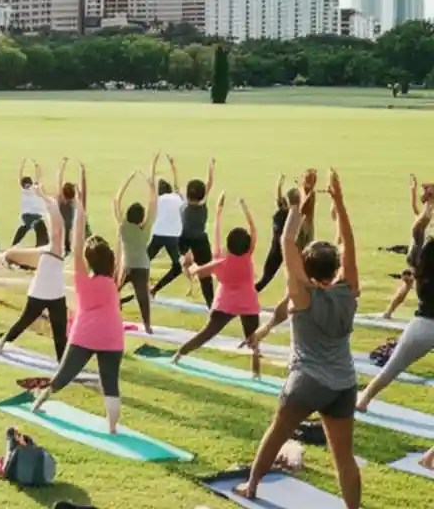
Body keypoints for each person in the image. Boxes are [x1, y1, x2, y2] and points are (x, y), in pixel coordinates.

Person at [235, 169, 359, 508]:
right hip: (344, 384)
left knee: (276, 434)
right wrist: (339, 203)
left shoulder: (302, 294)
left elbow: (286, 241)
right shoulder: (348, 291)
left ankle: (251, 486)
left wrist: (301, 202)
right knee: (344, 458)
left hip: (307, 381)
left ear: (307, 268)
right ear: (335, 270)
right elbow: (348, 243)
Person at [29, 193, 123, 434]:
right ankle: (112, 428)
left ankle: (37, 405)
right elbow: (108, 246)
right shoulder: (113, 281)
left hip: (85, 335)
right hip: (113, 338)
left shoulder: (82, 280)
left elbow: (78, 243)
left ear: (89, 262)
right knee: (110, 385)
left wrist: (80, 211)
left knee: (62, 377)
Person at [173, 193, 263, 378]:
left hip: (225, 304)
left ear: (228, 246)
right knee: (253, 340)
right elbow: (254, 230)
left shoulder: (220, 262)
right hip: (248, 303)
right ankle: (256, 373)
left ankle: (179, 355)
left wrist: (189, 265)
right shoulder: (247, 256)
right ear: (247, 247)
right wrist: (244, 206)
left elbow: (197, 270)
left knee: (206, 333)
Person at [356, 198, 432, 412]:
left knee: (390, 369)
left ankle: (363, 400)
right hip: (424, 325)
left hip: (422, 325)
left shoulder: (421, 269)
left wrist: (428, 211)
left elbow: (418, 232)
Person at [0, 181, 70, 360]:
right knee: (24, 321)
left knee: (60, 331)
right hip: (41, 293)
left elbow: (58, 226)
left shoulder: (55, 248)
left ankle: (63, 362)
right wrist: (44, 197)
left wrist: (43, 196)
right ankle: (2, 342)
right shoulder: (50, 248)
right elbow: (57, 225)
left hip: (55, 294)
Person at [153, 158, 216, 305]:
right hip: (200, 241)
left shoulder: (182, 202)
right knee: (205, 278)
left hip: (183, 240)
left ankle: (155, 288)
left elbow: (176, 186)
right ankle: (211, 305)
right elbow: (209, 183)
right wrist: (211, 167)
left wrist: (173, 165)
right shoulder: (202, 205)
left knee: (179, 267)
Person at [378, 177, 433, 318]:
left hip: (414, 256)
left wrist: (414, 191)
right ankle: (388, 311)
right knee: (418, 230)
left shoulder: (426, 220)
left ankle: (388, 312)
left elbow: (416, 211)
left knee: (407, 284)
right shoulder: (426, 222)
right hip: (419, 256)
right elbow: (418, 213)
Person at [145, 154, 192, 298]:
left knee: (140, 262)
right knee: (177, 267)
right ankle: (155, 289)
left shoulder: (157, 199)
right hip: (174, 236)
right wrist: (173, 165)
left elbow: (151, 182)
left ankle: (118, 287)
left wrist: (153, 162)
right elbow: (177, 184)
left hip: (158, 234)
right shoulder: (178, 197)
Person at [115, 171, 156, 332]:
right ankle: (147, 326)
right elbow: (153, 204)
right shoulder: (144, 230)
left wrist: (126, 181)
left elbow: (116, 201)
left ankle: (113, 315)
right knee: (143, 298)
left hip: (126, 267)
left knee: (111, 292)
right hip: (141, 267)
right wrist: (151, 186)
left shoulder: (123, 227)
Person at [57, 158, 90, 256]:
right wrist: (82, 173)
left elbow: (59, 181)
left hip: (65, 240)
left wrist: (62, 166)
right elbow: (84, 191)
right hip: (81, 239)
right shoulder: (79, 206)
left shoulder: (60, 203)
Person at [11, 159, 47, 247]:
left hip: (32, 216)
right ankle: (15, 244)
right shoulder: (30, 188)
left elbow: (37, 176)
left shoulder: (30, 188)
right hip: (30, 216)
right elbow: (37, 176)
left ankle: (40, 247)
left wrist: (31, 165)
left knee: (33, 227)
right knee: (29, 227)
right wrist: (35, 165)